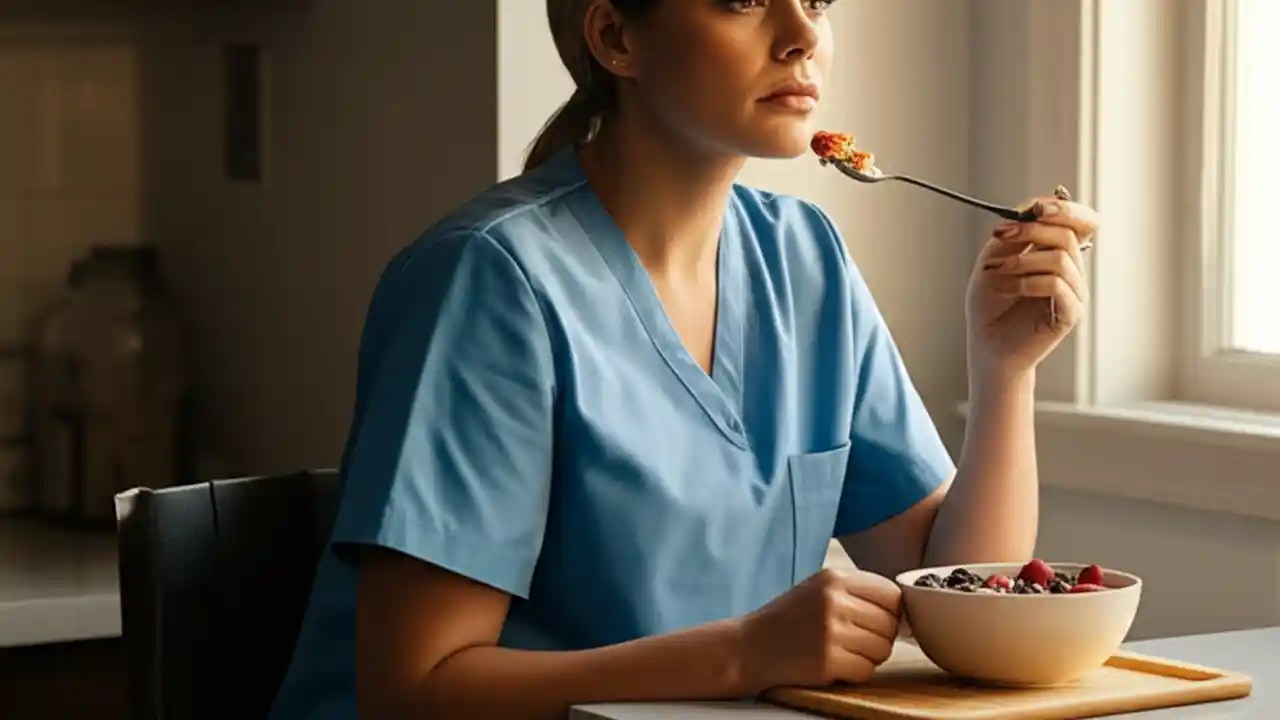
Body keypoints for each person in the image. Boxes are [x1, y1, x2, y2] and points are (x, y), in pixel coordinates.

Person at [269, 1, 1100, 718]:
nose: (802, 35)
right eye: (742, 0)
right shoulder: (489, 281)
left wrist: (1004, 369)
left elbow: (949, 593)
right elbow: (413, 692)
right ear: (615, 37)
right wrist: (744, 653)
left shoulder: (804, 259)